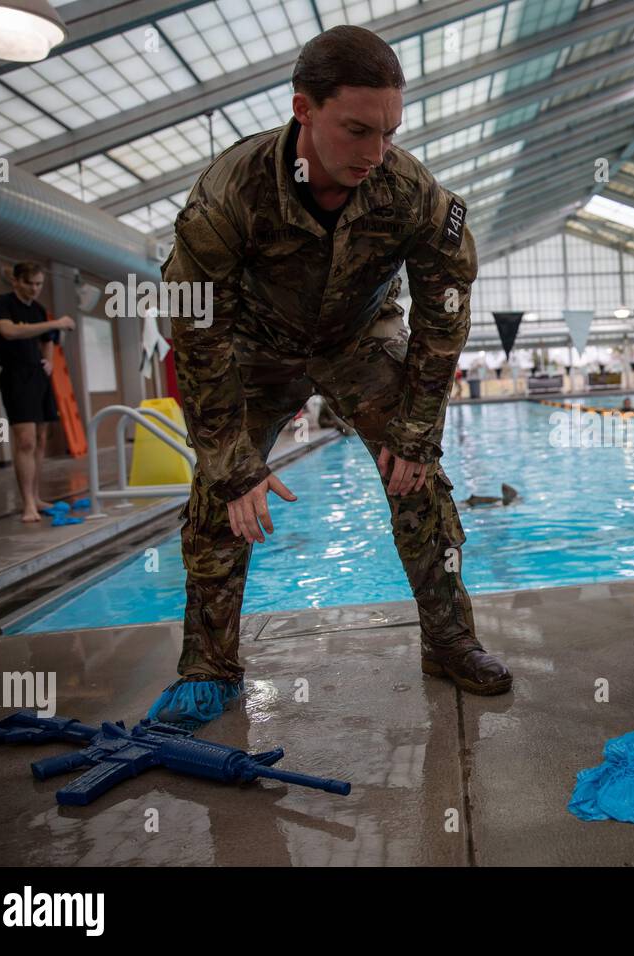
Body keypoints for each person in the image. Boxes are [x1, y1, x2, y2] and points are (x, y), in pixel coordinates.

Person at [155, 25, 511, 727]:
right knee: (218, 500)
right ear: (303, 111)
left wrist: (414, 432)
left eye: (389, 131)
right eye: (356, 130)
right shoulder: (232, 192)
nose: (375, 153)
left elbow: (444, 314)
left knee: (421, 482)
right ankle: (209, 666)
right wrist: (232, 464)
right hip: (253, 347)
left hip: (358, 338)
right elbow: (196, 332)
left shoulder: (408, 190)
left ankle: (448, 639)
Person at [0, 262, 76, 522]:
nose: (35, 289)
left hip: (38, 375)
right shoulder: (0, 303)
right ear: (15, 281)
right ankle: (27, 504)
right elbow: (9, 331)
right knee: (25, 440)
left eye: (39, 284)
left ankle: (36, 497)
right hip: (15, 375)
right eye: (30, 283)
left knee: (39, 439)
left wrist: (47, 361)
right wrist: (55, 323)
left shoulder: (38, 310)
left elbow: (48, 341)